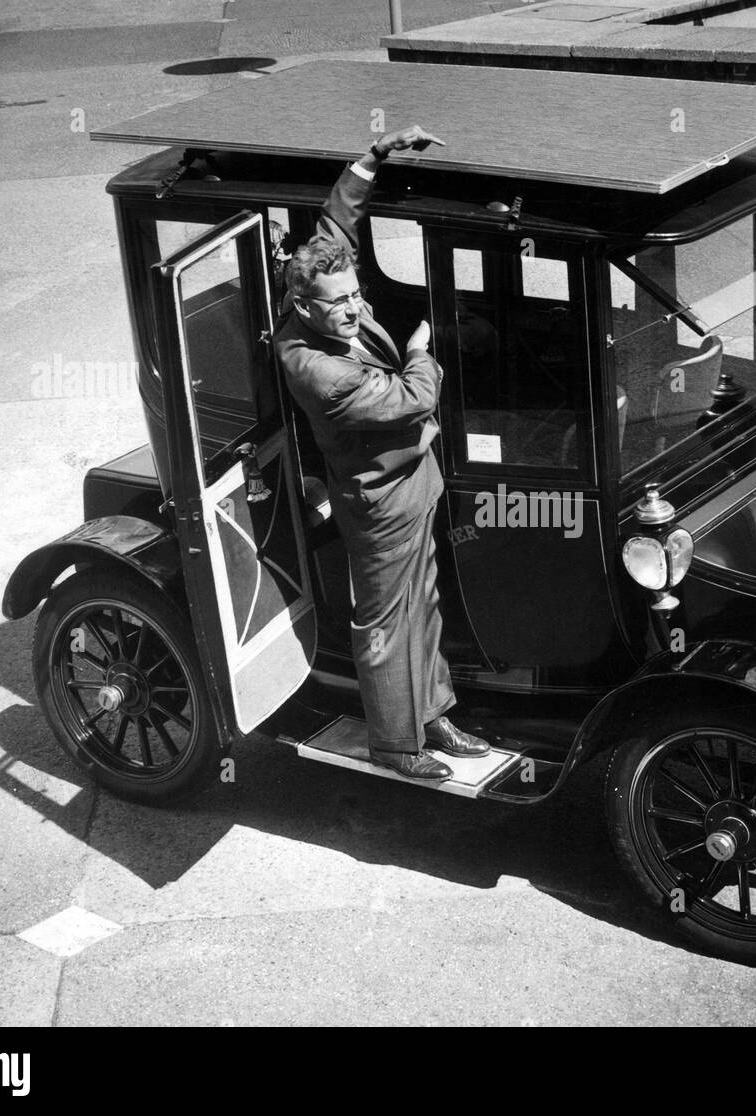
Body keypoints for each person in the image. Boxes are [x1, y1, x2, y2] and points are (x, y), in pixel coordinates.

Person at [276, 125, 490, 781]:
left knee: (423, 607)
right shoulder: (315, 368)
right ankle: (396, 746)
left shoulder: (325, 278)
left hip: (414, 486)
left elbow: (336, 226)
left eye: (355, 295)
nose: (354, 308)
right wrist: (424, 346)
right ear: (302, 304)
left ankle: (434, 715)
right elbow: (413, 398)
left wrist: (372, 157)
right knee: (384, 628)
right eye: (339, 304)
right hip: (379, 508)